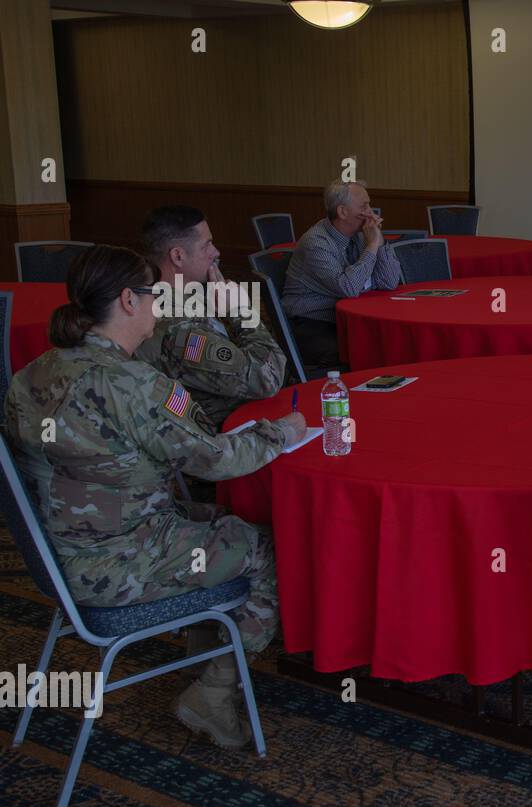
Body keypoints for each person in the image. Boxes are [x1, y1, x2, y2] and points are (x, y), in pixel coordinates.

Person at [3, 245, 307, 749]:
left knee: (224, 518)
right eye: (153, 295)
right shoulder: (134, 385)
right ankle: (212, 690)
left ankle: (202, 644)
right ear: (128, 300)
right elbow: (216, 459)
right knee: (268, 547)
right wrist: (284, 433)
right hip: (119, 565)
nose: (159, 303)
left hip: (61, 556)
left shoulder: (30, 374)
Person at [135, 205, 287, 431]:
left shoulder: (166, 297)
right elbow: (268, 379)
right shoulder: (181, 327)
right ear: (177, 256)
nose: (216, 252)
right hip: (224, 438)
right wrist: (241, 311)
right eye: (206, 245)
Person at [281, 180, 402, 376]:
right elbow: (348, 288)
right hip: (311, 323)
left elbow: (389, 282)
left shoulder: (361, 235)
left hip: (344, 319)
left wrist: (378, 241)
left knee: (389, 342)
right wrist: (371, 246)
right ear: (343, 212)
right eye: (364, 206)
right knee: (371, 350)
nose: (371, 213)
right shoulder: (316, 243)